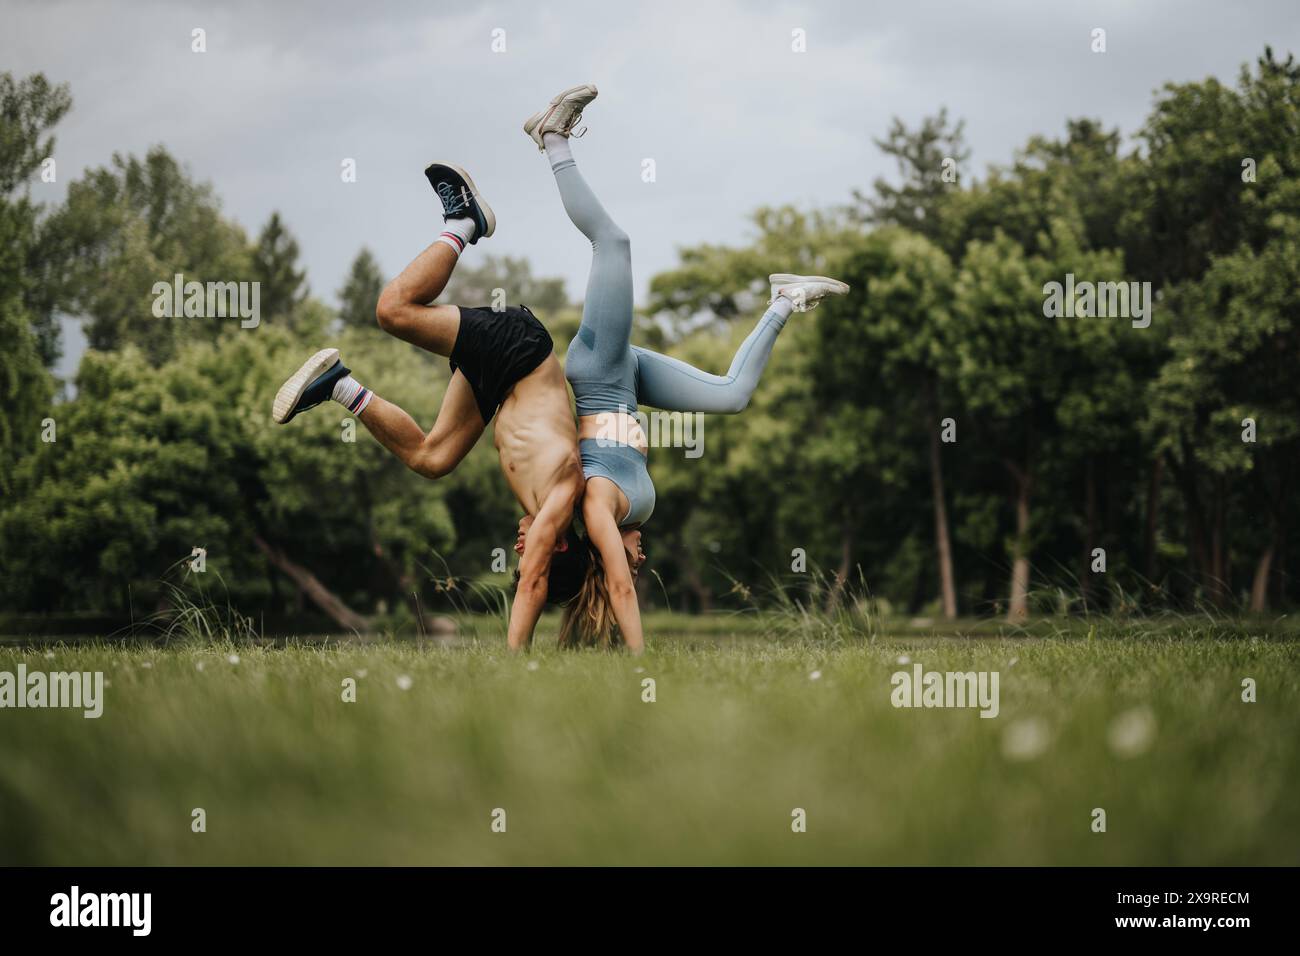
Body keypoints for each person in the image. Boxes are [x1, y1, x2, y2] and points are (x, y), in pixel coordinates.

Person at [523, 84, 850, 652]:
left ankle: (551, 136)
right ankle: (785, 299)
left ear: (605, 559)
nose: (641, 557)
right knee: (731, 396)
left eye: (632, 559)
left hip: (601, 370)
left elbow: (622, 591)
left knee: (614, 243)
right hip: (629, 380)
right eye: (639, 559)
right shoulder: (629, 509)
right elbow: (624, 579)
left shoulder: (598, 504)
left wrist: (641, 656)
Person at [271, 163, 586, 647]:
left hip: (499, 384)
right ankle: (464, 222)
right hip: (519, 352)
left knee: (432, 459)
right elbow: (537, 581)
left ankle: (339, 386)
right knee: (392, 311)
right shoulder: (561, 501)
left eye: (521, 554)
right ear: (556, 544)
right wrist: (517, 658)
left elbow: (574, 574)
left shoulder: (546, 504)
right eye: (528, 554)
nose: (520, 549)